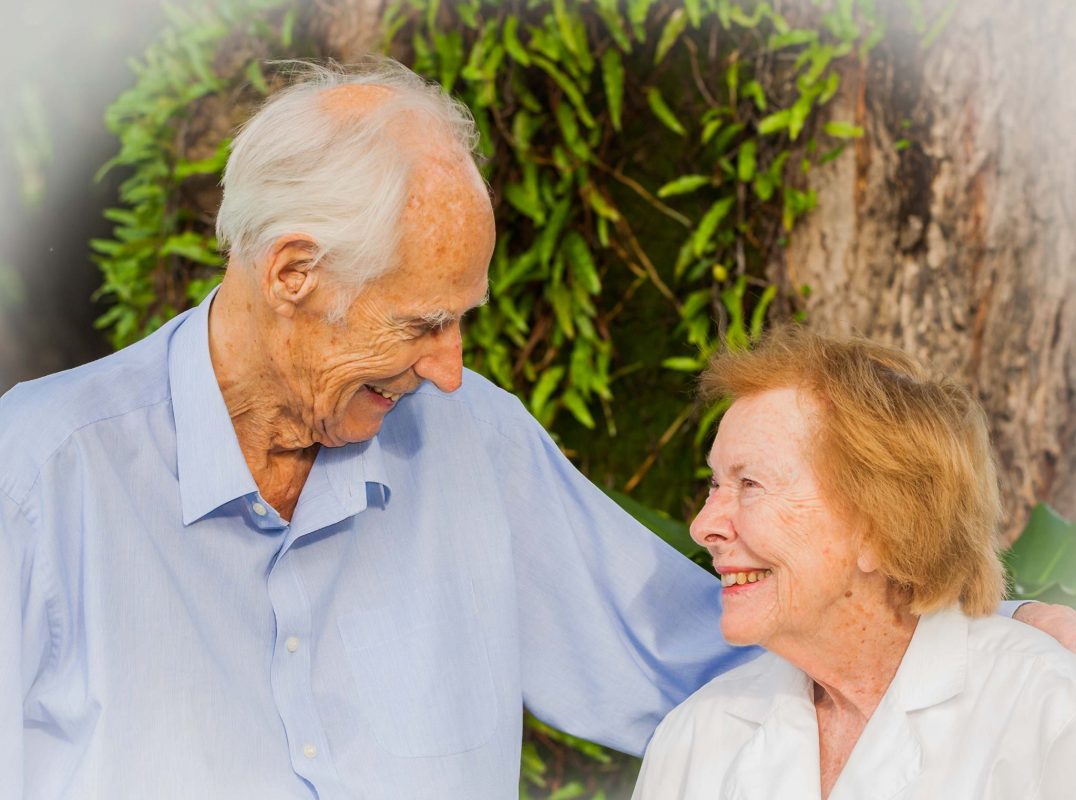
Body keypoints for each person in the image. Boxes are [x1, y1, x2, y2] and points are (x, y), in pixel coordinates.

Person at [0, 60, 1070, 799]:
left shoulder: (467, 444)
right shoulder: (41, 473)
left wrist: (976, 623)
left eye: (462, 319)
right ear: (292, 274)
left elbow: (692, 640)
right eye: (422, 322)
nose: (450, 366)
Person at [633, 329, 1076, 800]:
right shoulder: (697, 735)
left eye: (750, 484)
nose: (704, 525)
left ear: (881, 526)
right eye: (714, 484)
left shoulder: (1047, 712)